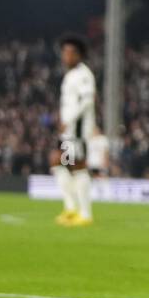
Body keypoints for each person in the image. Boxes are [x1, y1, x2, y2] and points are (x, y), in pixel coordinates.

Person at [51, 35, 96, 226]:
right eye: (64, 52)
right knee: (60, 164)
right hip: (68, 132)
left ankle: (85, 214)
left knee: (77, 167)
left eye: (69, 52)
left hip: (77, 130)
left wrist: (68, 120)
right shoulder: (70, 75)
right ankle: (71, 208)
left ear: (78, 55)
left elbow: (87, 101)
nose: (65, 56)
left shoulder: (84, 74)